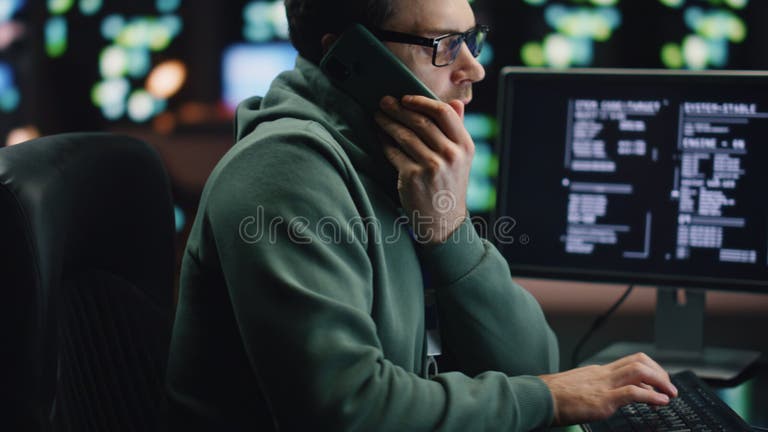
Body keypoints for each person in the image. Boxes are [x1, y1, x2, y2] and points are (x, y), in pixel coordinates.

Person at [166, 0, 678, 430]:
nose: (474, 68)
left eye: (471, 38)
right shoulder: (284, 171)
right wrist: (554, 398)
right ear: (351, 58)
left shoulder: (408, 171)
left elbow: (532, 366)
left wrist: (447, 227)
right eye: (442, 44)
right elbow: (349, 412)